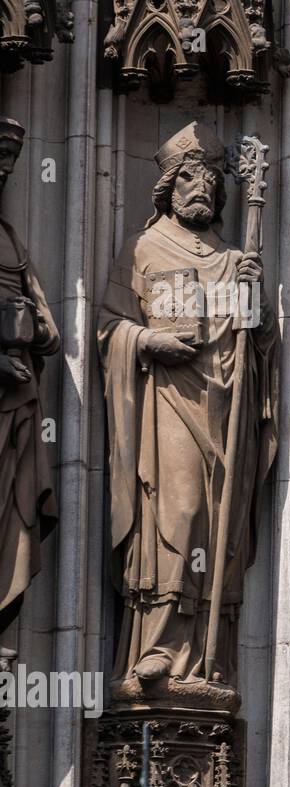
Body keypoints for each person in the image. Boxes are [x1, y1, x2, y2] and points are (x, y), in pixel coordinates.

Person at [98, 121, 278, 695]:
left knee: (214, 526)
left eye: (208, 180)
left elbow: (261, 344)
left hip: (225, 407)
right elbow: (109, 329)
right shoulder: (144, 249)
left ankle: (208, 655)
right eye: (189, 180)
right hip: (168, 403)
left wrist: (259, 300)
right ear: (169, 189)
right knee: (175, 515)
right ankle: (157, 647)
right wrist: (147, 341)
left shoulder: (232, 257)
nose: (200, 188)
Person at [0, 116, 58, 635]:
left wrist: (26, 327)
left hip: (14, 404)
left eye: (7, 169)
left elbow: (51, 334)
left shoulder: (11, 242)